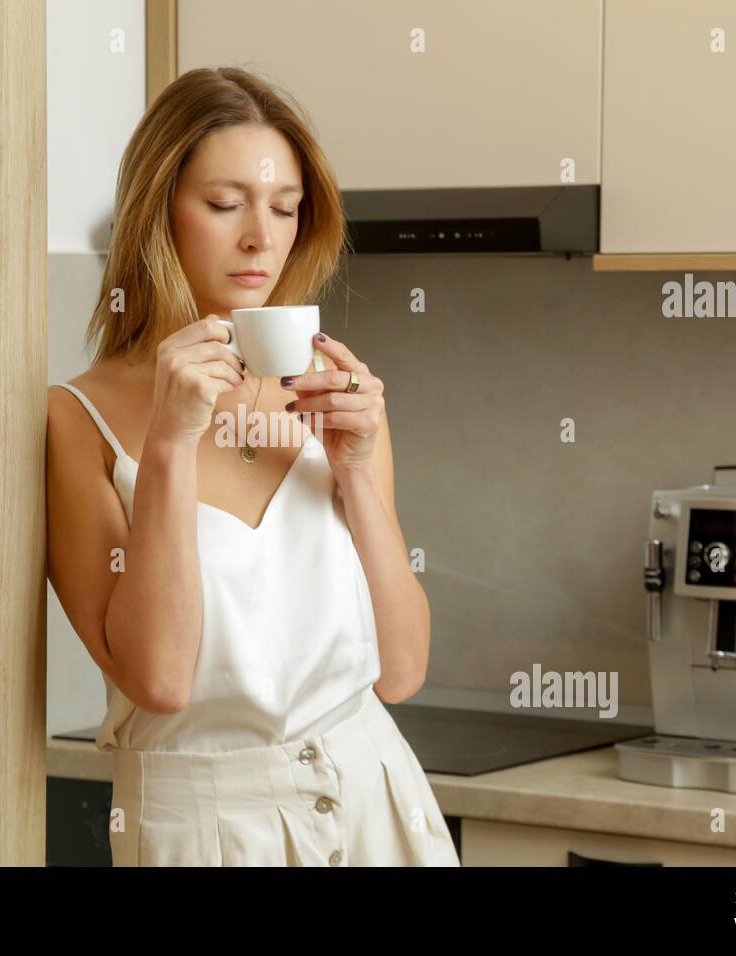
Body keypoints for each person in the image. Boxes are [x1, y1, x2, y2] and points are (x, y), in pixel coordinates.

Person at [46, 66, 459, 867]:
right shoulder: (78, 419)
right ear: (158, 212)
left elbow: (403, 670)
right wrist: (169, 445)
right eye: (225, 204)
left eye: (284, 207)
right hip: (206, 830)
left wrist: (358, 472)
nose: (261, 238)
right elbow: (159, 680)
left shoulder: (336, 399)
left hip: (378, 800)